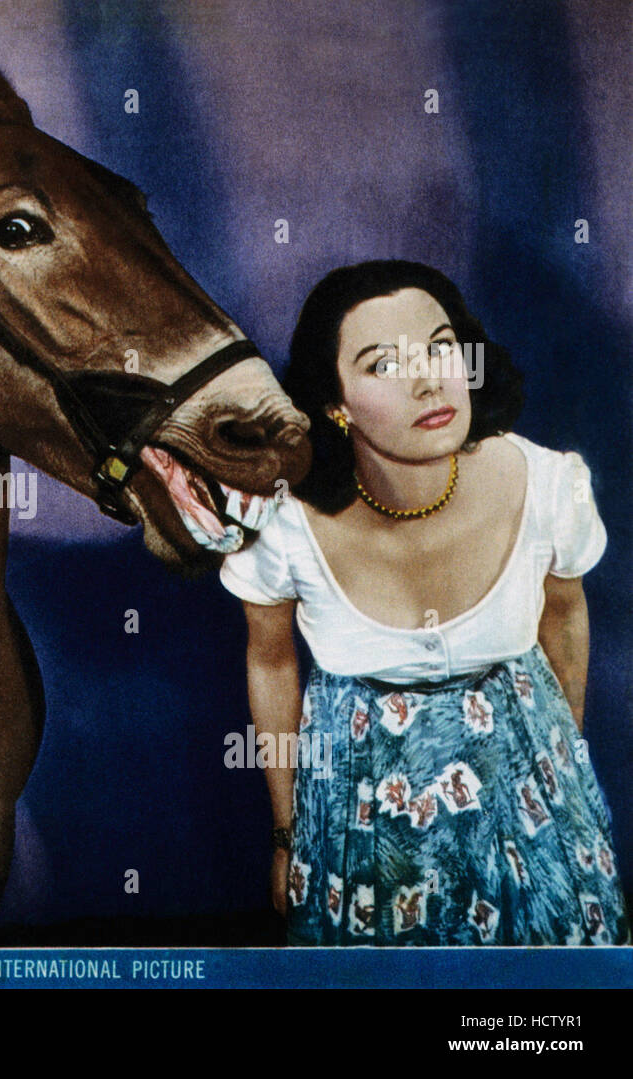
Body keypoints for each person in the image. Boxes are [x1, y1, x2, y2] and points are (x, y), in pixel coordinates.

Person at [220, 260, 628, 945]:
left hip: (528, 802)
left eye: (441, 347)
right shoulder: (284, 526)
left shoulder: (550, 485)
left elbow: (565, 619)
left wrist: (563, 785)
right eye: (384, 363)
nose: (429, 379)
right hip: (359, 819)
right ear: (334, 403)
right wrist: (287, 835)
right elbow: (271, 664)